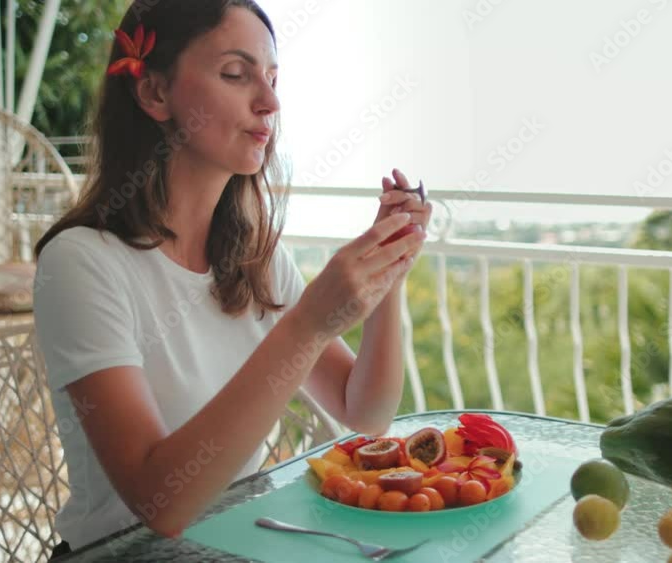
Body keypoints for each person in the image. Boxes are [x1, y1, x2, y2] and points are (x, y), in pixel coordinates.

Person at [34, 1, 431, 557]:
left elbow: (365, 412)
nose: (270, 102)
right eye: (235, 74)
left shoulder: (253, 260)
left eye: (271, 79)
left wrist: (390, 265)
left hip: (233, 545)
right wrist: (309, 324)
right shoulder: (82, 264)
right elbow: (161, 503)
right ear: (154, 93)